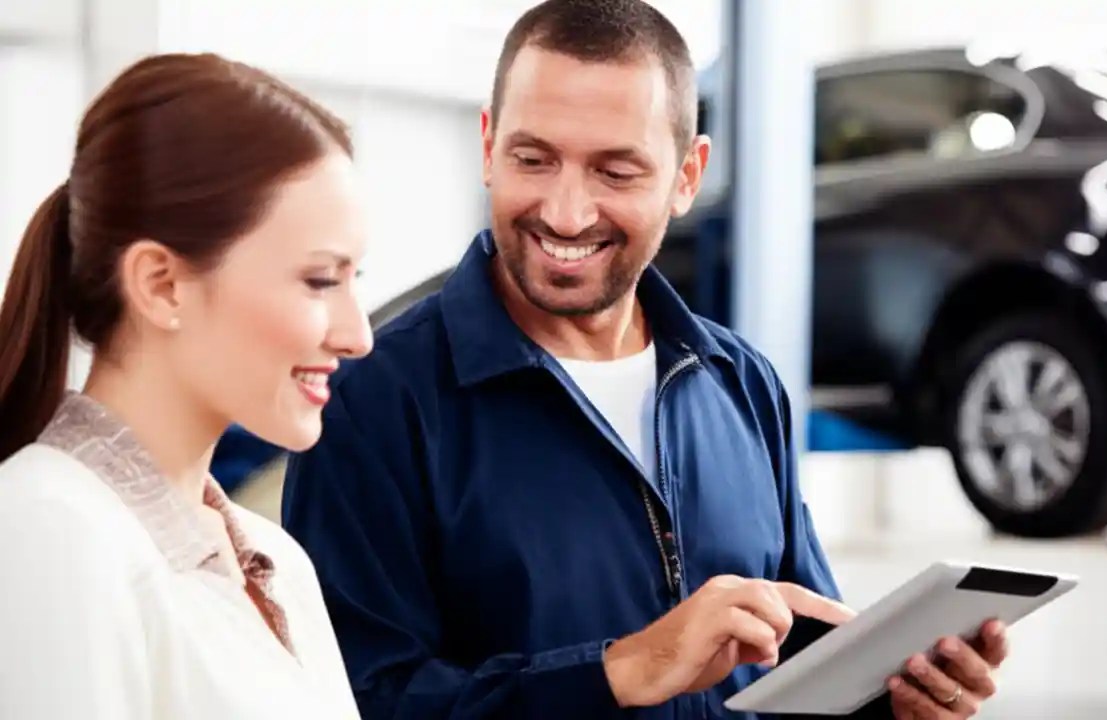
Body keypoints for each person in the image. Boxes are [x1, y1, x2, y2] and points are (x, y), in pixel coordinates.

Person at [281, 1, 1008, 718]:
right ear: (487, 146)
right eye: (533, 159)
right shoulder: (374, 402)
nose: (566, 213)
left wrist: (895, 704)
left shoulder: (741, 384)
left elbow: (799, 668)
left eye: (615, 172)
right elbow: (359, 701)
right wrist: (623, 670)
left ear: (687, 175)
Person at [0, 53, 373, 719]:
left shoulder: (279, 562)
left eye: (356, 281)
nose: (358, 334)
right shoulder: (49, 530)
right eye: (320, 281)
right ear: (161, 284)